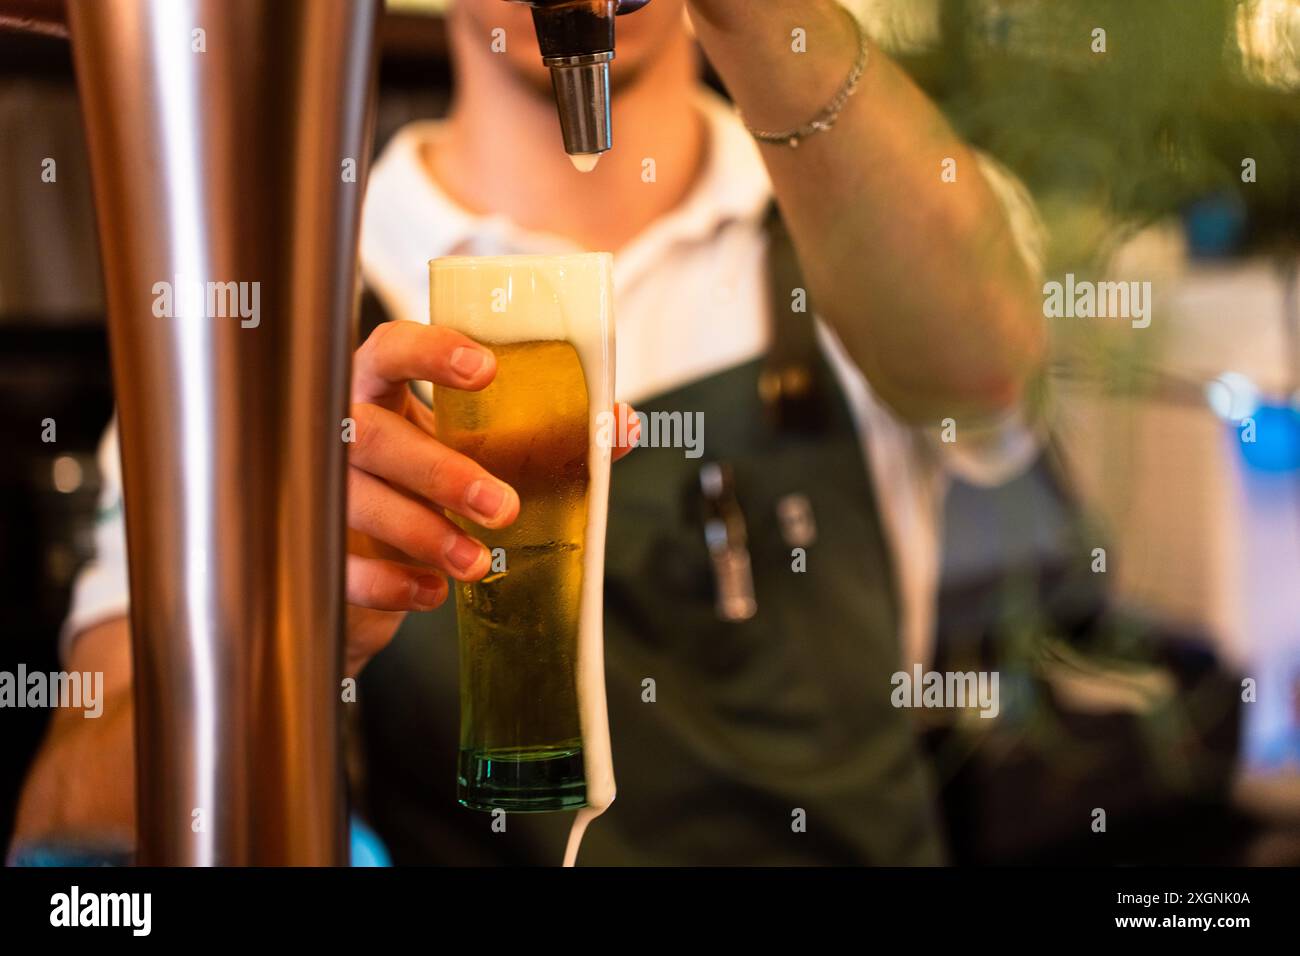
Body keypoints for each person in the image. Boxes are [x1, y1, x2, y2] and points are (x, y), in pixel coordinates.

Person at [13, 0, 1046, 864]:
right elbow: (66, 823)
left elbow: (993, 383)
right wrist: (279, 633)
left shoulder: (857, 205)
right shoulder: (275, 305)